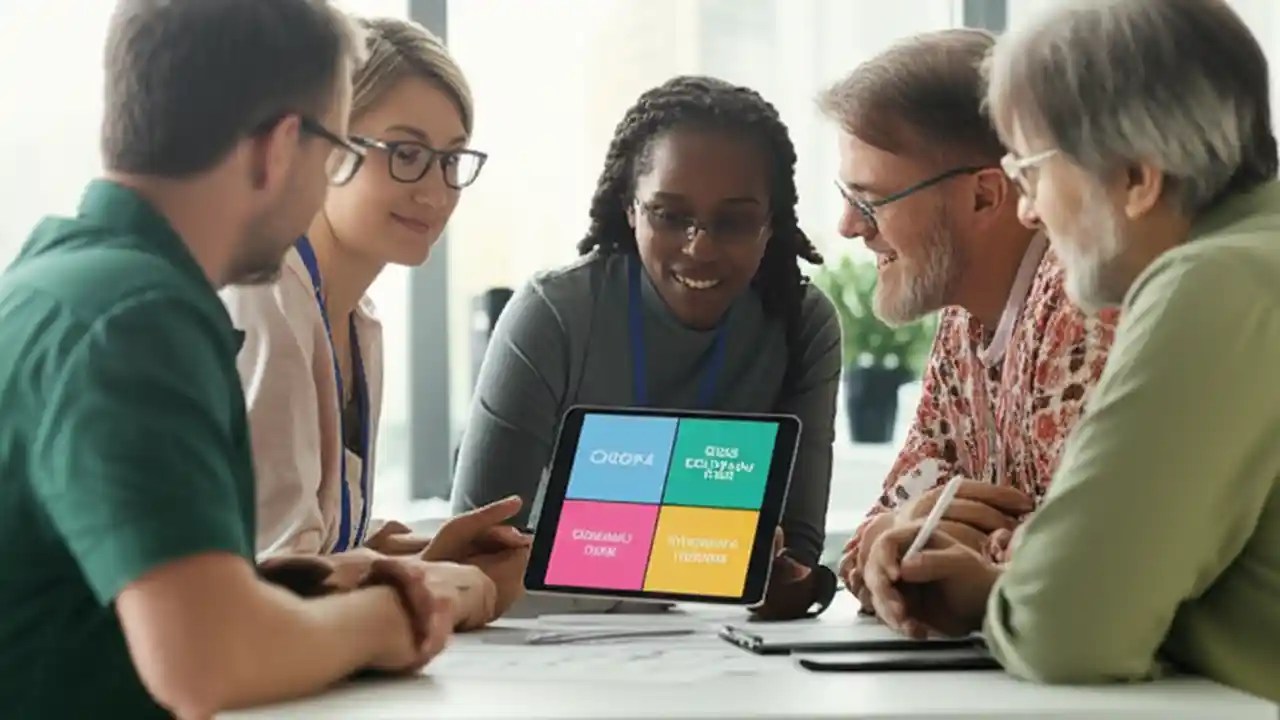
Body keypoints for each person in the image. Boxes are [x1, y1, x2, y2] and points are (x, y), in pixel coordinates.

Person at [0, 2, 459, 717]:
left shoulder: (49, 281)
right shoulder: (140, 318)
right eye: (334, 151)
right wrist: (385, 619)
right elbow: (209, 660)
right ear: (280, 148)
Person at [862, 0, 1280, 702]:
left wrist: (1006, 600)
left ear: (1137, 178)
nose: (1030, 213)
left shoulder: (1211, 283)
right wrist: (1003, 589)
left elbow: (1066, 631)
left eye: (1030, 172)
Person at [451, 75, 843, 618]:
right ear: (631, 209)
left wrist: (788, 577)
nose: (699, 247)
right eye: (669, 215)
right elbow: (470, 554)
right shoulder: (553, 313)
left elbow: (796, 558)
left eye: (733, 220)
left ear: (771, 223)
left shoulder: (803, 324)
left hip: (710, 649)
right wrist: (684, 557)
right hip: (545, 636)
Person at [221, 16, 525, 630]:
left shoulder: (359, 323)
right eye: (407, 153)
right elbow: (279, 582)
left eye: (451, 160)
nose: (436, 192)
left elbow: (320, 547)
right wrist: (445, 581)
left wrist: (419, 552)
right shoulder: (263, 296)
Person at [818, 29, 1118, 602]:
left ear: (985, 195)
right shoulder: (964, 319)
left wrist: (922, 542)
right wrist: (898, 535)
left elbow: (1072, 561)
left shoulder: (1088, 304)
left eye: (869, 201)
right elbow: (873, 544)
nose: (849, 227)